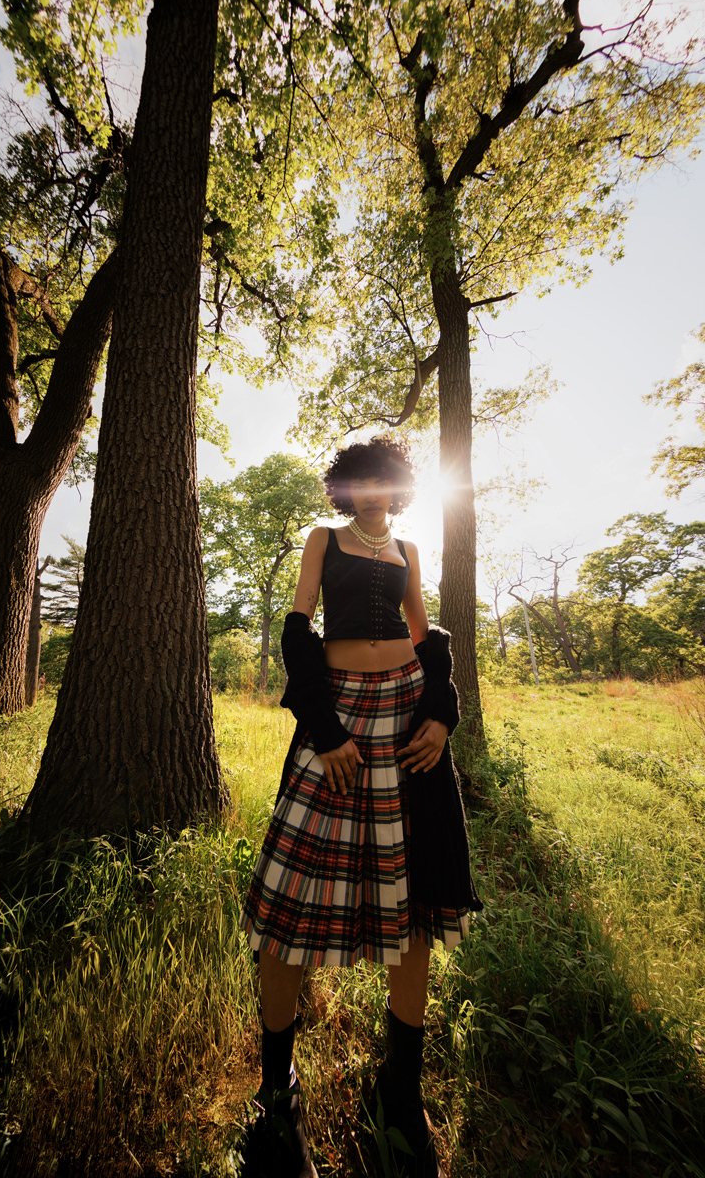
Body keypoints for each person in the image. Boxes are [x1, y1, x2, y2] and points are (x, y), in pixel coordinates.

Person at [239, 437, 481, 1178]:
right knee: (287, 899)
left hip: (407, 720)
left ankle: (398, 1096)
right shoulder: (325, 539)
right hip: (338, 716)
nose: (373, 491)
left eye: (385, 479)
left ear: (400, 486)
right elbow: (295, 628)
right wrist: (325, 727)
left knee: (413, 902)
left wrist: (442, 715)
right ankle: (276, 1098)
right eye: (359, 481)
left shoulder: (406, 549)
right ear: (345, 488)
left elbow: (428, 639)